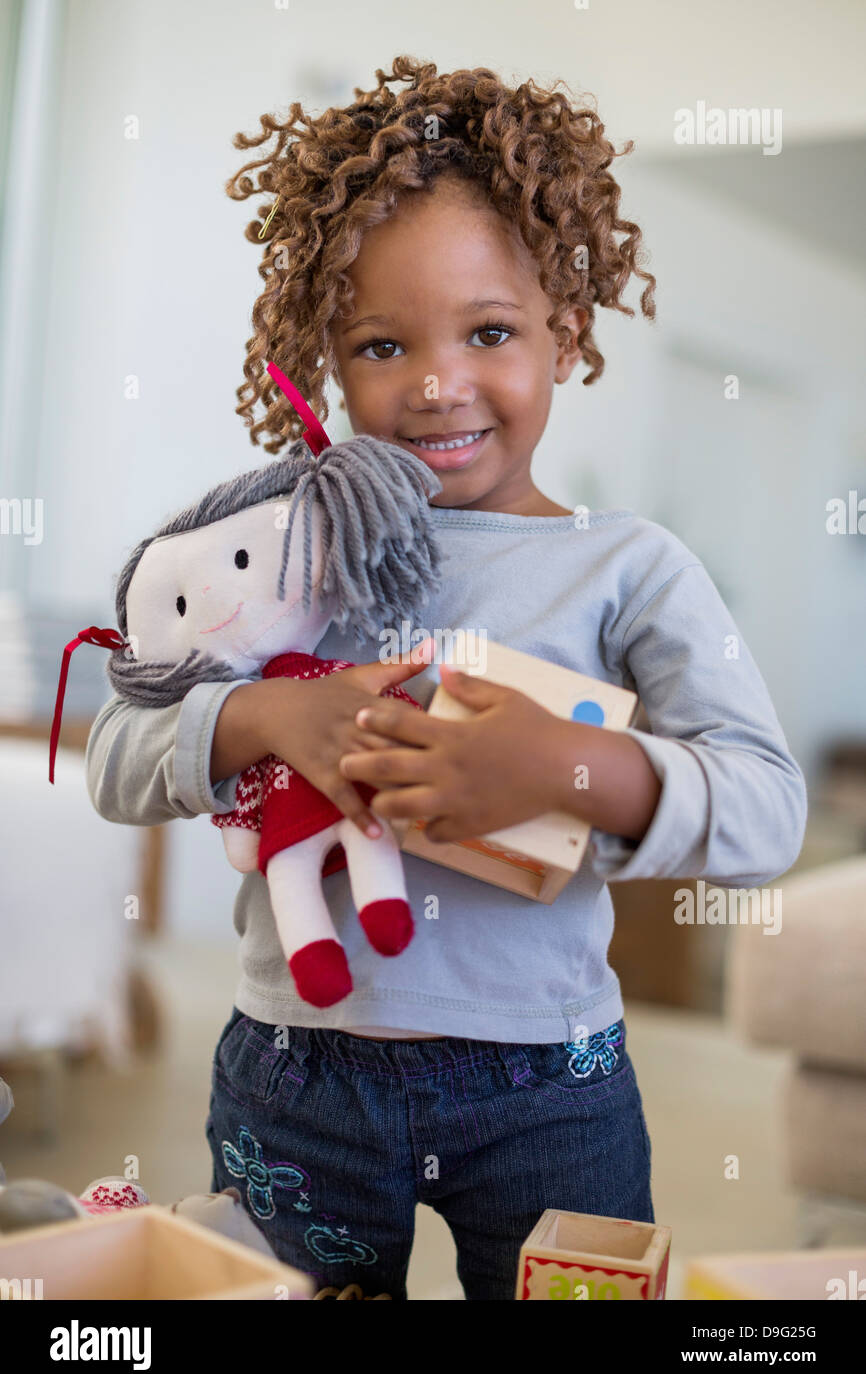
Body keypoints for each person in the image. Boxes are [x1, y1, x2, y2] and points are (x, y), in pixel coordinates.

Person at [85, 55, 806, 1300]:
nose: (435, 384)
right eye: (380, 344)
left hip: (549, 1083)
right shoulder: (287, 548)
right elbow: (109, 755)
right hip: (296, 1068)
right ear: (324, 360)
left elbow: (764, 807)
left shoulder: (626, 566)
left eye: (488, 332)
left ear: (564, 333)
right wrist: (261, 713)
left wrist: (567, 766)